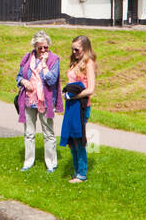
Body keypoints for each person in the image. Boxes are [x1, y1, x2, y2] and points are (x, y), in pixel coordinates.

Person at [16, 30, 61, 172]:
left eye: (45, 47)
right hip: (29, 100)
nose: (42, 50)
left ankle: (51, 164)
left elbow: (52, 80)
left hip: (45, 102)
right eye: (39, 47)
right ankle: (28, 162)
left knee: (48, 134)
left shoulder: (54, 59)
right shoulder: (27, 57)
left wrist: (44, 64)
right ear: (35, 46)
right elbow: (18, 76)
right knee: (29, 133)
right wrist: (23, 81)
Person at [59, 34, 97, 183]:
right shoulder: (75, 61)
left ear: (85, 49)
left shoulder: (88, 63)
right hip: (71, 105)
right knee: (72, 140)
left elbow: (91, 89)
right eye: (72, 49)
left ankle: (82, 174)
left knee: (78, 140)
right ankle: (76, 171)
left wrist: (72, 97)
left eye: (77, 50)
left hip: (81, 106)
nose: (74, 52)